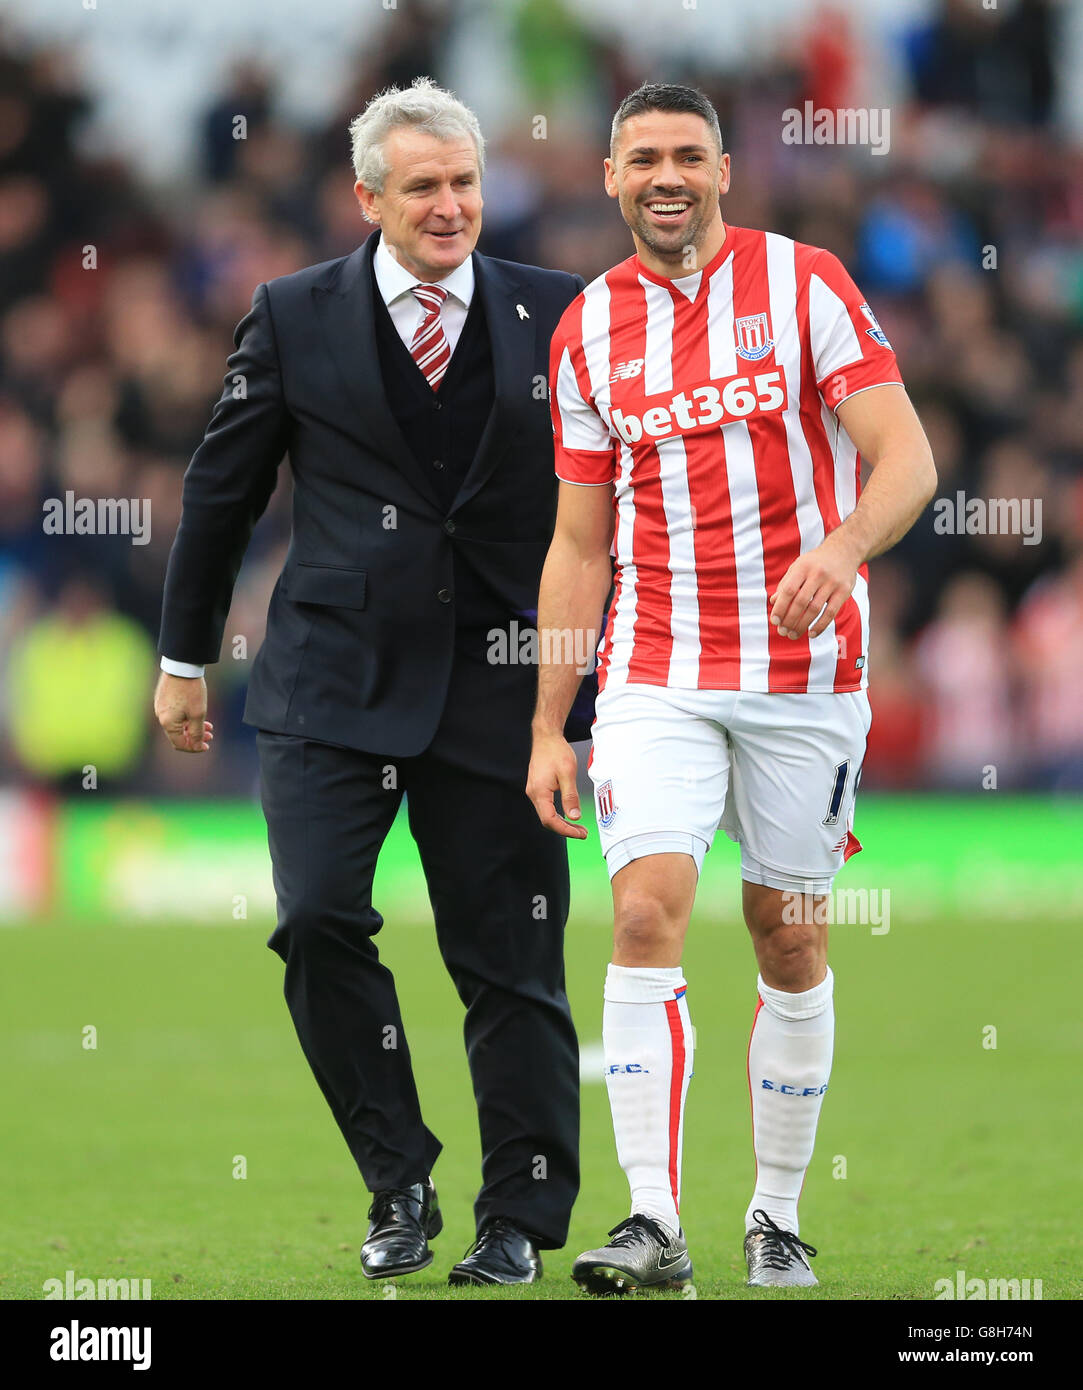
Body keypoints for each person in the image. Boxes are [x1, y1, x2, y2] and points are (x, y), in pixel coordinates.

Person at [154, 78, 587, 1288]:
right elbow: (221, 491)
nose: (451, 206)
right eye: (424, 187)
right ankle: (398, 1177)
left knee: (511, 960)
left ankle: (518, 1219)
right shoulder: (291, 316)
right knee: (319, 920)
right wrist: (184, 659)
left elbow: (609, 511)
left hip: (504, 687)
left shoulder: (560, 310)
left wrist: (588, 693)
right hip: (329, 683)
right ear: (368, 197)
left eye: (465, 183)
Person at [527, 83, 936, 1294]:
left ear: (723, 172)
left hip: (806, 672)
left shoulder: (805, 284)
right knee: (647, 909)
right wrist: (552, 720)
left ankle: (776, 1213)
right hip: (656, 671)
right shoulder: (587, 329)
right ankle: (651, 1220)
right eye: (643, 156)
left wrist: (842, 547)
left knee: (790, 934)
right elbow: (579, 545)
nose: (667, 175)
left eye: (688, 156)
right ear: (610, 177)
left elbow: (906, 455)